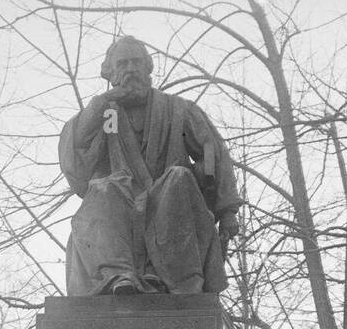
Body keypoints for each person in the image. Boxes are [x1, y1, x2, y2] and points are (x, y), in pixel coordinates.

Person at [58, 35, 241, 296]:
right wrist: (99, 106)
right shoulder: (105, 114)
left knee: (178, 177)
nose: (131, 69)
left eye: (136, 62)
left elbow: (214, 152)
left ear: (148, 67)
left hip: (170, 199)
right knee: (102, 188)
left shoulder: (179, 110)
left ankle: (165, 275)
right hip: (121, 205)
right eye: (122, 64)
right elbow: (76, 161)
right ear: (110, 72)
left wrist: (227, 210)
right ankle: (118, 276)